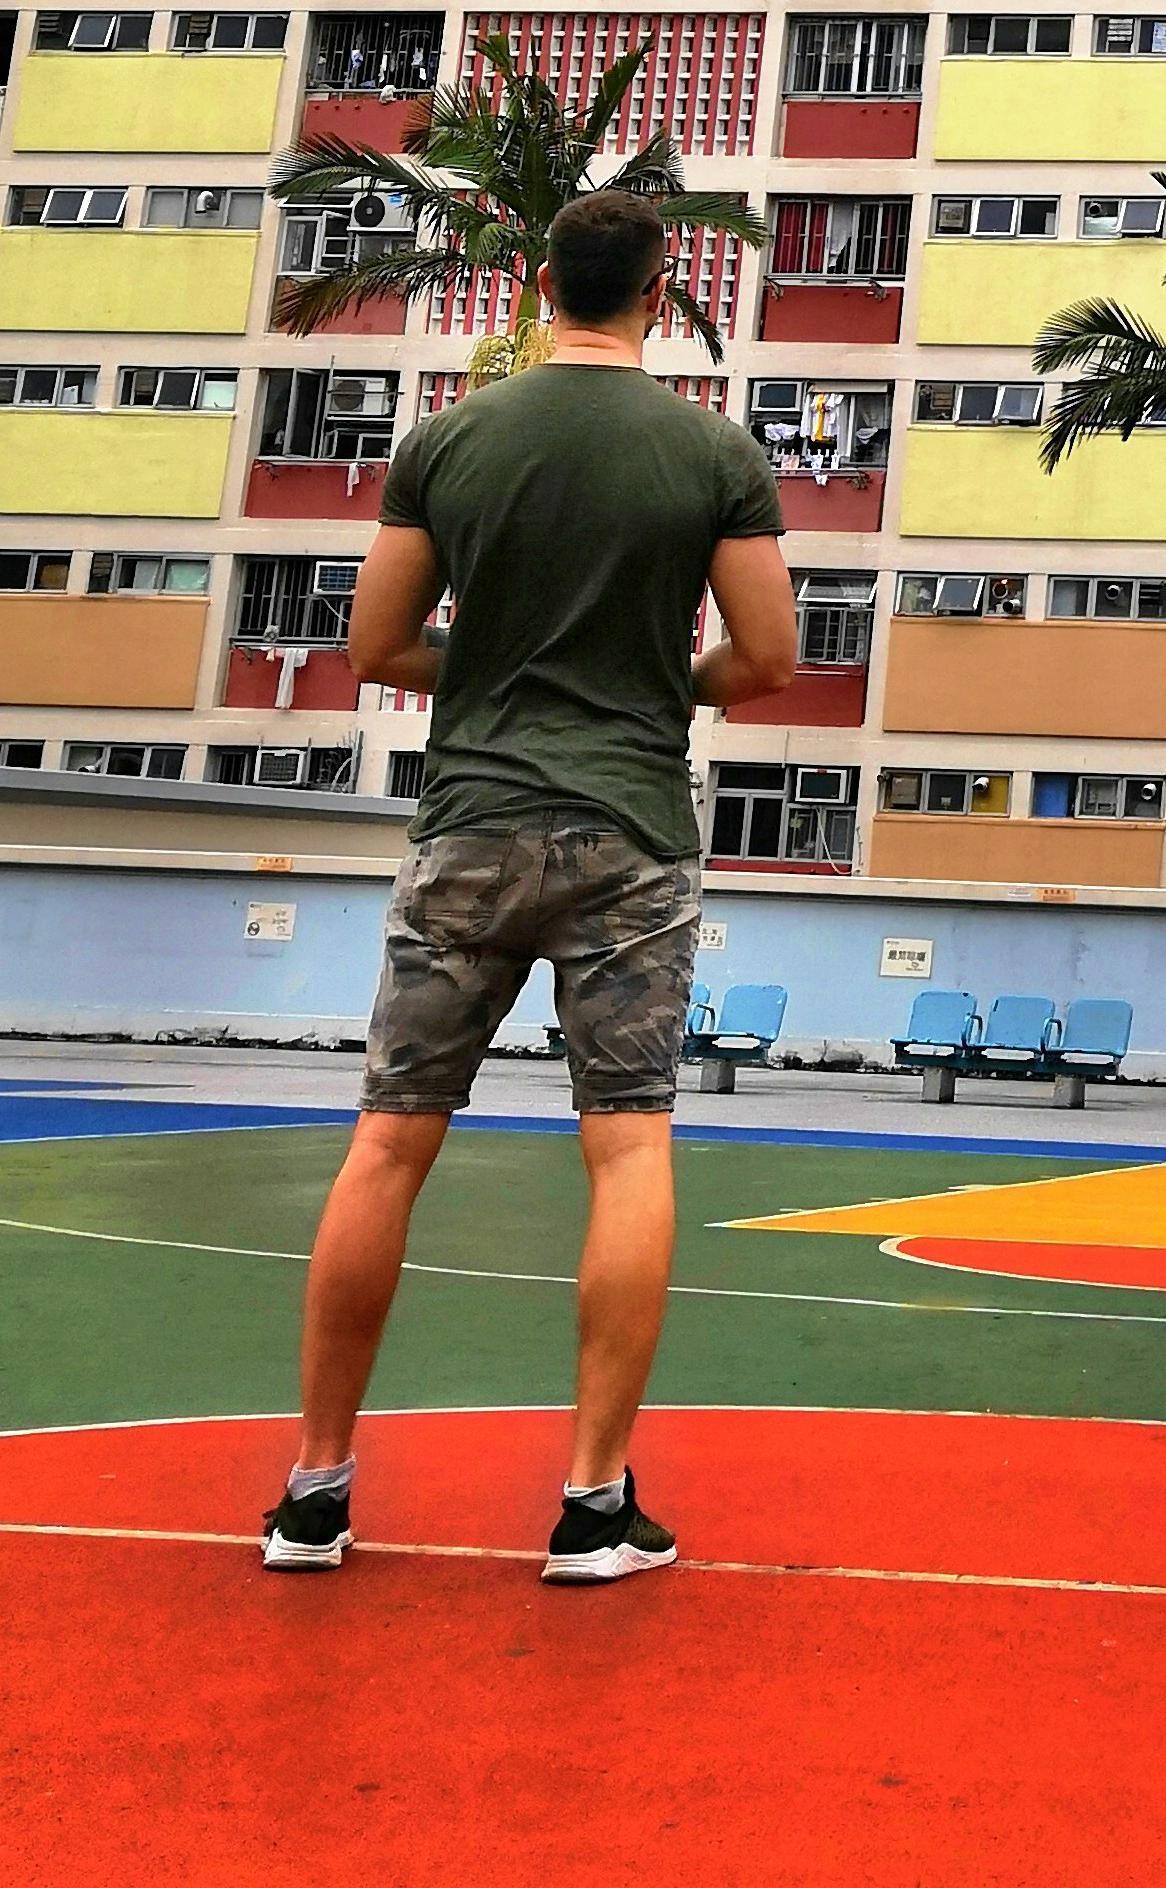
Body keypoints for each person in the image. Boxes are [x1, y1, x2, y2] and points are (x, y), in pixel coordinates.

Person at [263, 190, 796, 1588]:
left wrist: (493, 680)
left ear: (540, 280)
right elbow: (770, 659)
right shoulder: (713, 454)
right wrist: (652, 690)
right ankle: (590, 1501)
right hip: (630, 830)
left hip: (473, 822)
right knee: (626, 1149)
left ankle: (314, 1492)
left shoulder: (452, 439)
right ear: (659, 290)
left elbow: (376, 644)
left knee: (388, 1143)